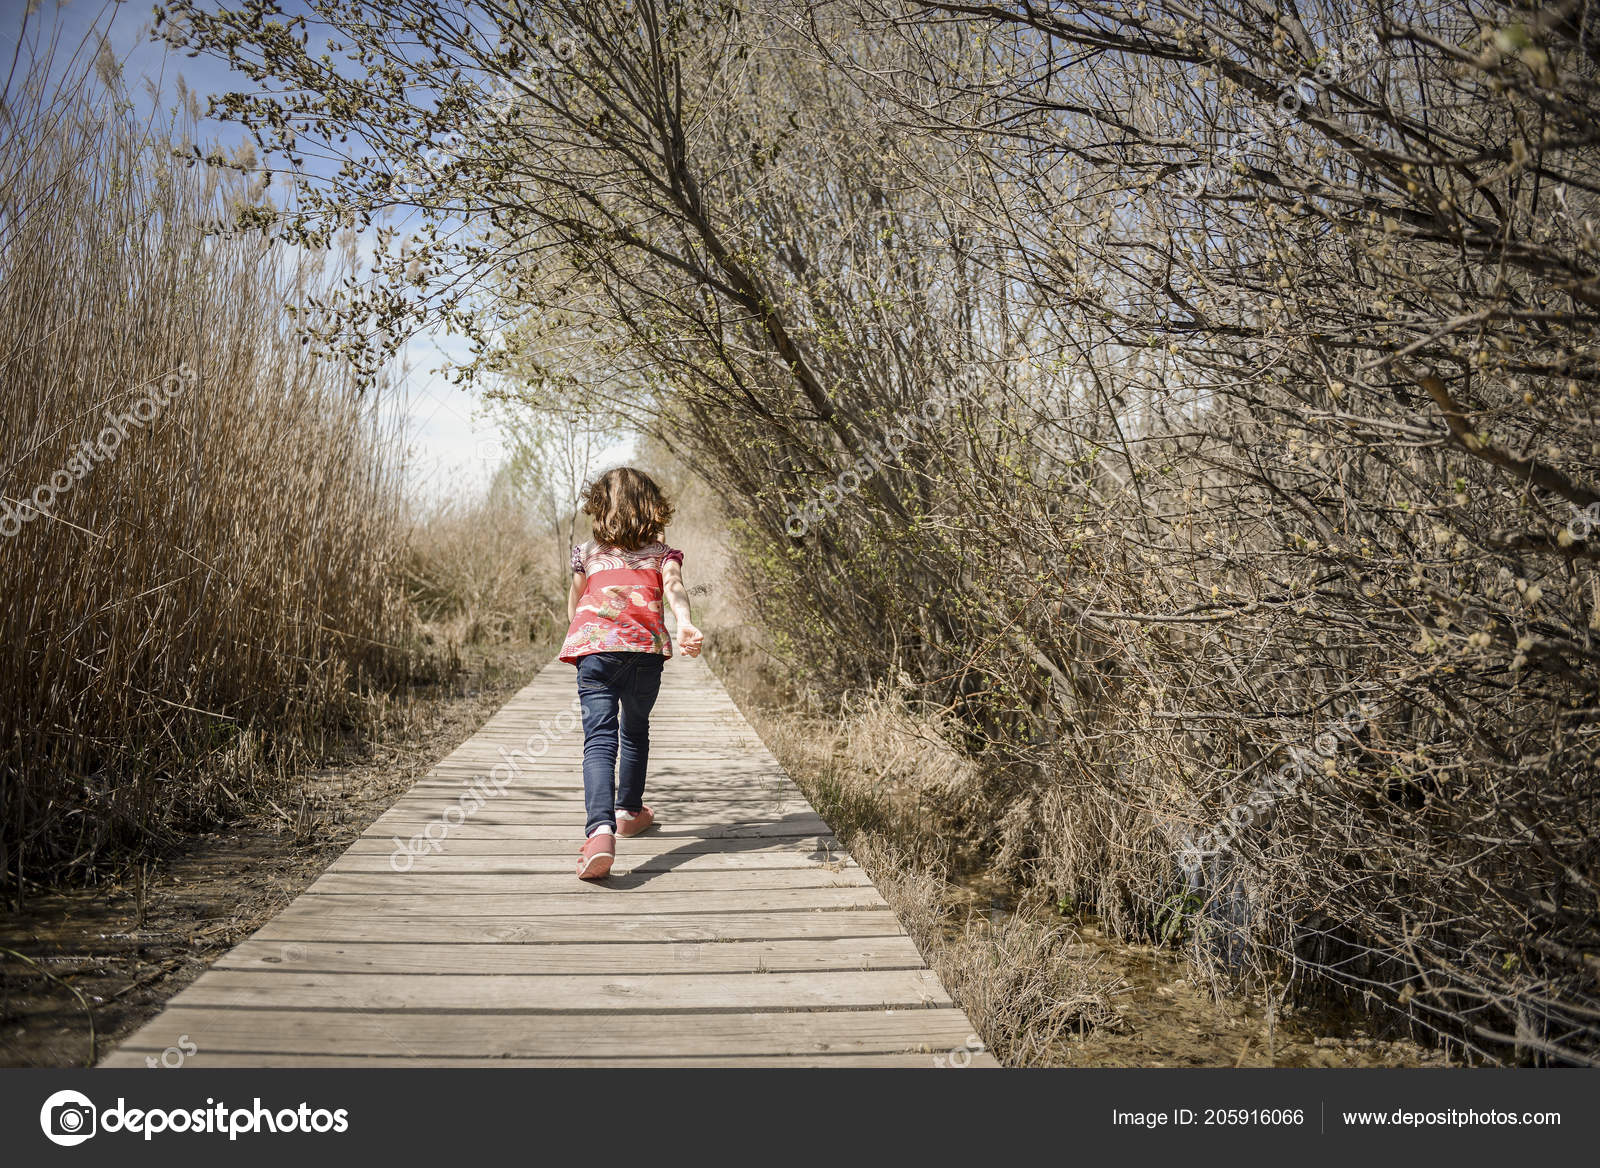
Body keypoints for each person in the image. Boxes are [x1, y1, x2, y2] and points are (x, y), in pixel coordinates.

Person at [559, 467, 703, 879]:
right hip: (645, 652)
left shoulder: (587, 553)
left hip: (596, 652)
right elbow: (673, 587)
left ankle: (600, 832)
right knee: (635, 729)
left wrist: (582, 638)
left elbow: (576, 601)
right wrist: (684, 622)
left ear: (599, 509)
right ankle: (628, 811)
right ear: (652, 508)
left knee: (599, 739)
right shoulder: (663, 554)